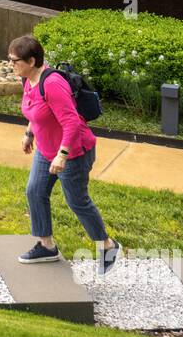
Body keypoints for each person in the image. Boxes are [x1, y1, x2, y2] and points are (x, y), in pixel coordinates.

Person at [7, 34, 121, 274]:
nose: (10, 65)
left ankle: (108, 245)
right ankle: (46, 246)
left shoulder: (52, 84)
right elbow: (35, 110)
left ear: (31, 61)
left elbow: (71, 123)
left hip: (74, 152)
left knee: (77, 201)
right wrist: (29, 134)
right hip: (47, 150)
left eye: (14, 61)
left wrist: (63, 154)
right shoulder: (27, 80)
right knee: (35, 191)